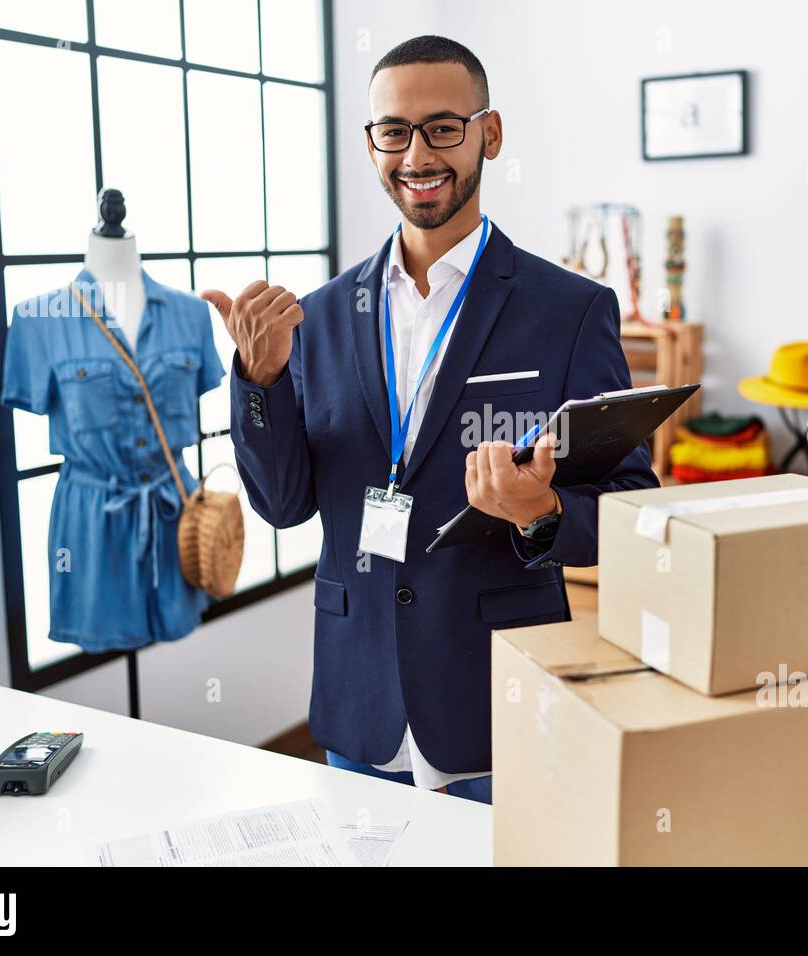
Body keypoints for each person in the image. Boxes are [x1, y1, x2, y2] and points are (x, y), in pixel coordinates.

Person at [202, 35, 658, 805]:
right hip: (360, 699)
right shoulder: (318, 317)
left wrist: (539, 512)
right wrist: (261, 380)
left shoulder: (571, 312)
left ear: (491, 132)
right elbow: (284, 506)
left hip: (499, 700)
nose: (417, 154)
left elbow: (628, 508)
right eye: (394, 131)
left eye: (444, 127)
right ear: (371, 142)